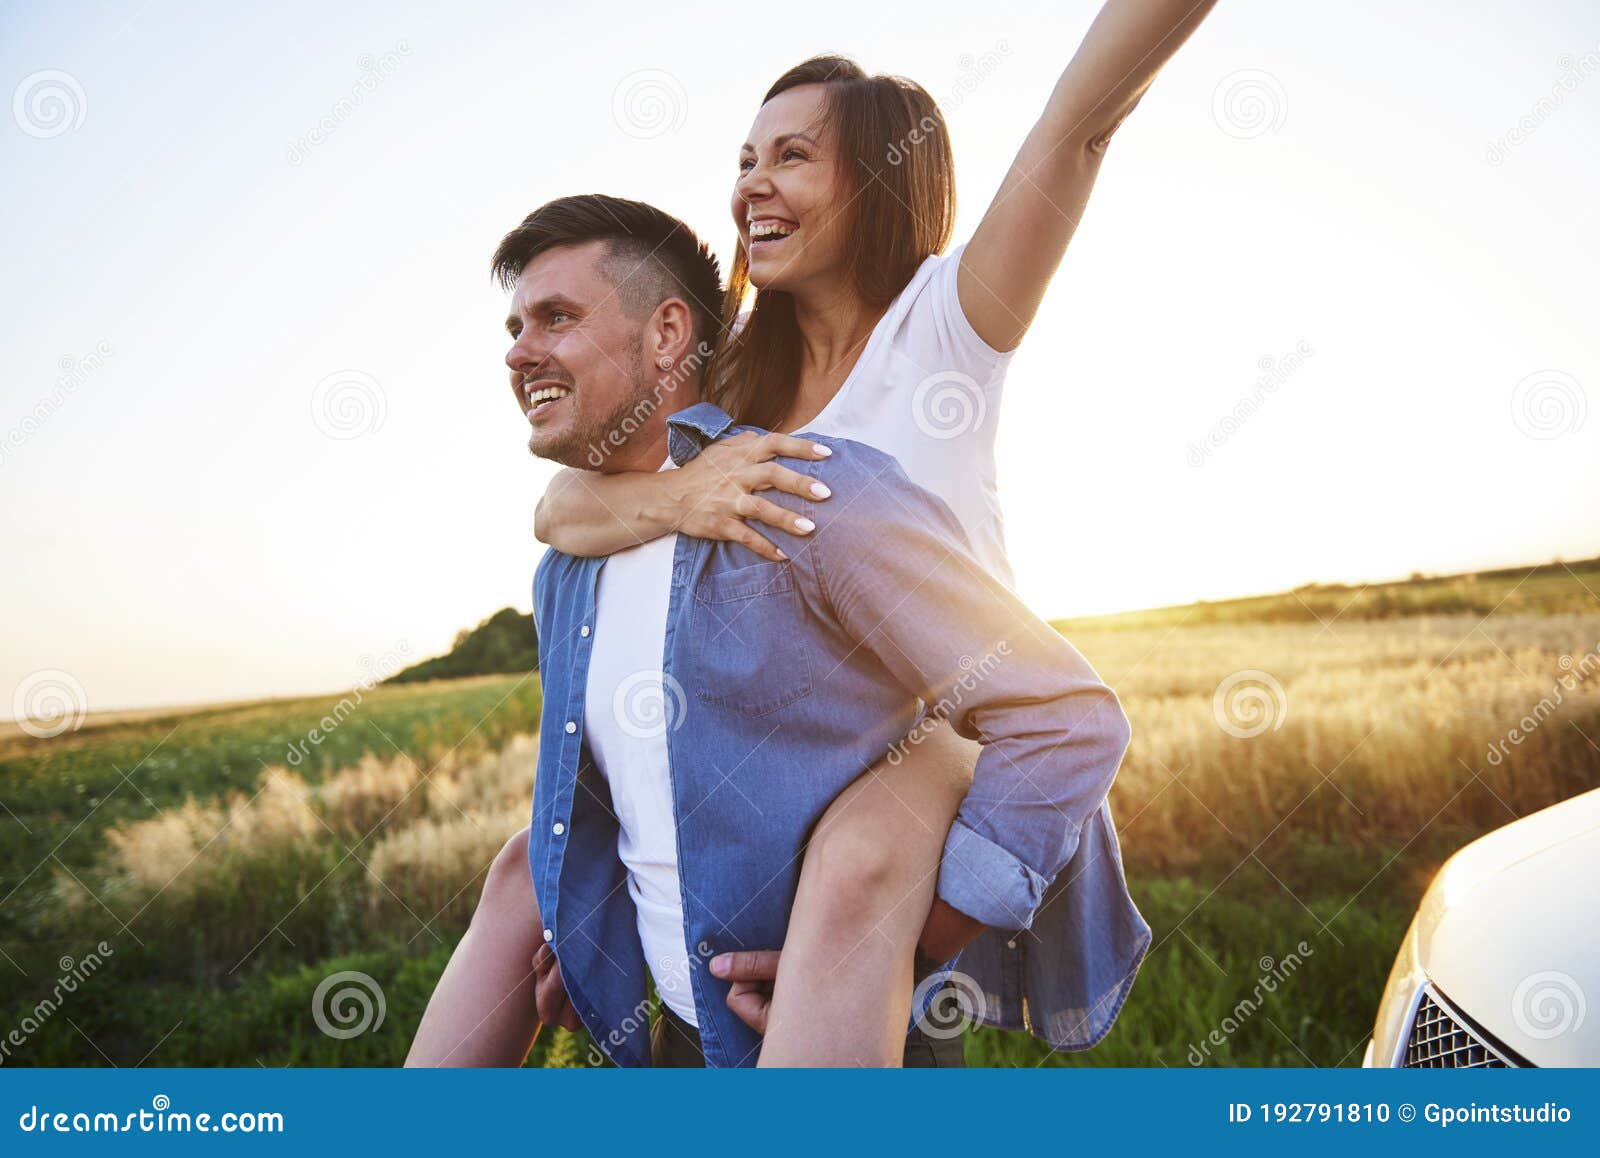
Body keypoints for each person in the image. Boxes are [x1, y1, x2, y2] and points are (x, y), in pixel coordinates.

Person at [407, 0, 1218, 1067]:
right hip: (798, 763)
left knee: (868, 853)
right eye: (744, 157)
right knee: (535, 865)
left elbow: (1079, 127)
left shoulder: (946, 327)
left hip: (956, 739)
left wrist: (923, 924)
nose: (751, 183)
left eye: (792, 156)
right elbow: (563, 511)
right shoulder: (736, 380)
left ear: (876, 182)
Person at [466, 192, 1140, 1067]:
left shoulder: (809, 497)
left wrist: (918, 941)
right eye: (515, 326)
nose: (520, 353)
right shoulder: (566, 573)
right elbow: (626, 806)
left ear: (669, 334)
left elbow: (1067, 718)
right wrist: (593, 939)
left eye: (556, 317)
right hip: (672, 1044)